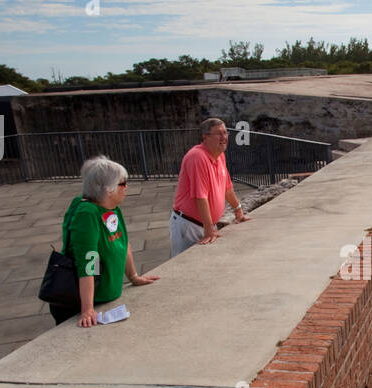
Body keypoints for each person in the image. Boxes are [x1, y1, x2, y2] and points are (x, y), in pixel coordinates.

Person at [51, 155, 159, 327]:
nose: (126, 187)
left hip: (107, 295)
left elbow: (123, 243)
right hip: (88, 301)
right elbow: (88, 262)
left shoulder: (111, 208)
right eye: (123, 184)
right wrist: (87, 309)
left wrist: (133, 276)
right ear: (109, 189)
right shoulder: (87, 214)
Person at [170, 117, 250, 256]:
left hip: (204, 224)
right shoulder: (197, 157)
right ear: (205, 137)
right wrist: (209, 229)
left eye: (225, 133)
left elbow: (227, 188)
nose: (223, 137)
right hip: (190, 225)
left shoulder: (219, 155)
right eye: (218, 133)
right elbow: (200, 196)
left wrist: (238, 211)